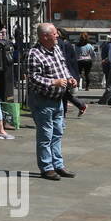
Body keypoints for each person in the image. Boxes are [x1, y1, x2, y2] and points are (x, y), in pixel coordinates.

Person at [25, 23, 76, 181]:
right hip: (42, 100)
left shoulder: (57, 49)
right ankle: (47, 168)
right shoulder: (34, 53)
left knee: (58, 133)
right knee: (46, 135)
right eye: (54, 34)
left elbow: (63, 67)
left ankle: (58, 165)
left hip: (58, 99)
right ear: (45, 36)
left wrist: (69, 79)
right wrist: (54, 83)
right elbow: (33, 78)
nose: (57, 36)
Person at [58, 30, 87, 117]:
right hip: (69, 71)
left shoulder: (65, 44)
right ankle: (79, 105)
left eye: (57, 34)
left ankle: (79, 106)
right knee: (64, 93)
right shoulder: (66, 44)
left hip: (67, 71)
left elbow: (67, 60)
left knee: (63, 93)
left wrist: (71, 75)